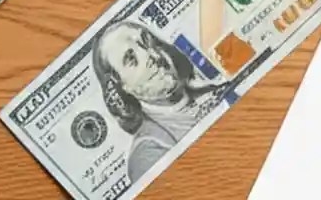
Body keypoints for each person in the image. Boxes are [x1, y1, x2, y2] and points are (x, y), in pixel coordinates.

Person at [92, 21, 225, 182]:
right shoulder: (148, 154)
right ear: (122, 86)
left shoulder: (213, 87)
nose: (151, 55)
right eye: (131, 59)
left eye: (146, 41)